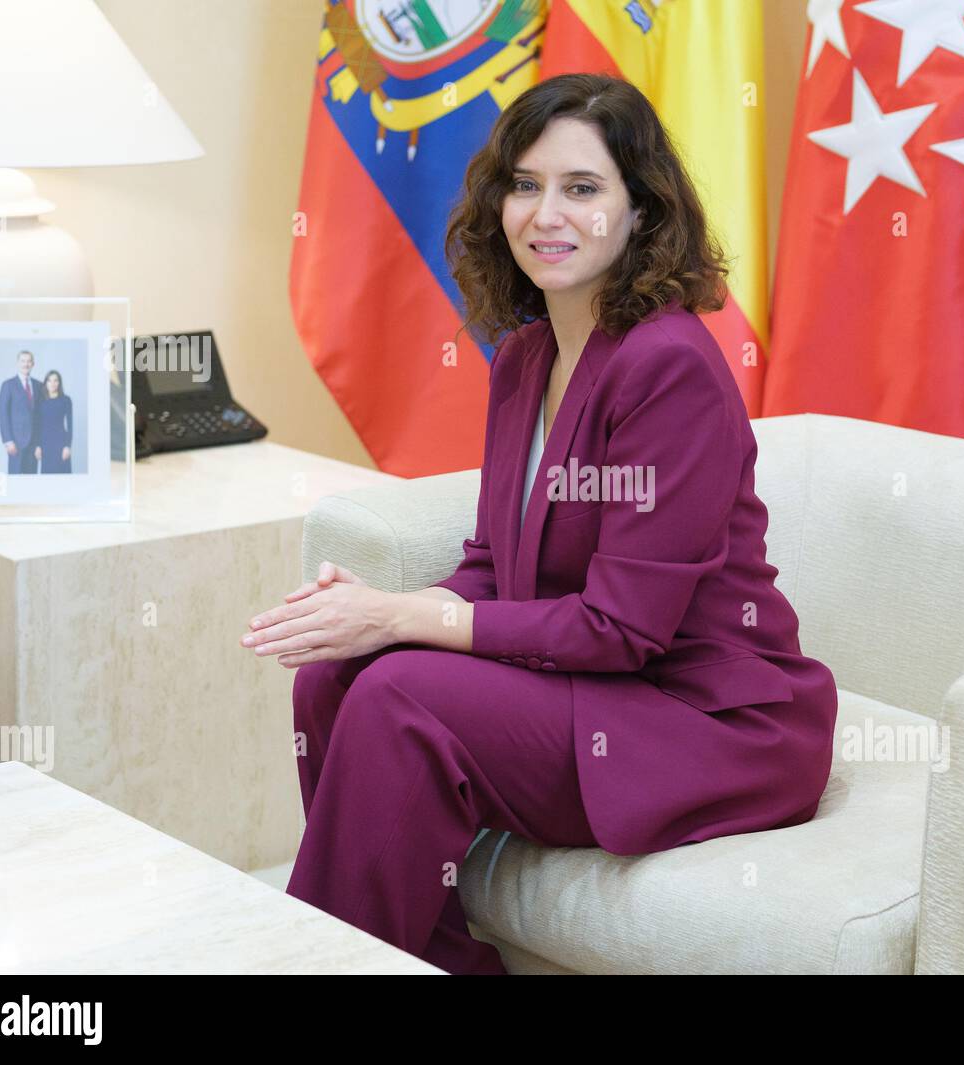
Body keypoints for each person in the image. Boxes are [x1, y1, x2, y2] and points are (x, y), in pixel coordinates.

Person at [243, 73, 839, 975]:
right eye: (525, 184)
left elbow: (620, 629)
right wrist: (376, 612)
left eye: (582, 187)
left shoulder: (668, 366)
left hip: (705, 719)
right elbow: (494, 562)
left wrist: (404, 620)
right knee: (332, 678)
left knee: (401, 698)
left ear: (641, 210)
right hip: (599, 688)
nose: (545, 214)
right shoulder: (527, 356)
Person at [0, 349, 41, 474]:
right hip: (16, 443)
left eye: (29, 361)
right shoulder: (8, 385)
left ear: (33, 364)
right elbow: (3, 414)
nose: (26, 364)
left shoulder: (39, 385)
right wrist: (8, 441)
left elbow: (41, 416)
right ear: (17, 363)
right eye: (23, 361)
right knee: (15, 480)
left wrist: (40, 444)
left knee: (31, 481)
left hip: (34, 444)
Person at [32, 370, 73, 474]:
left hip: (61, 442)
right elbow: (37, 425)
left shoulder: (66, 400)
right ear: (46, 383)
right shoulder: (40, 401)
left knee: (64, 475)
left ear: (59, 383)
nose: (52, 383)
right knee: (48, 475)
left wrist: (67, 446)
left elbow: (70, 425)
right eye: (49, 381)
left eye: (55, 380)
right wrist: (37, 445)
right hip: (45, 444)